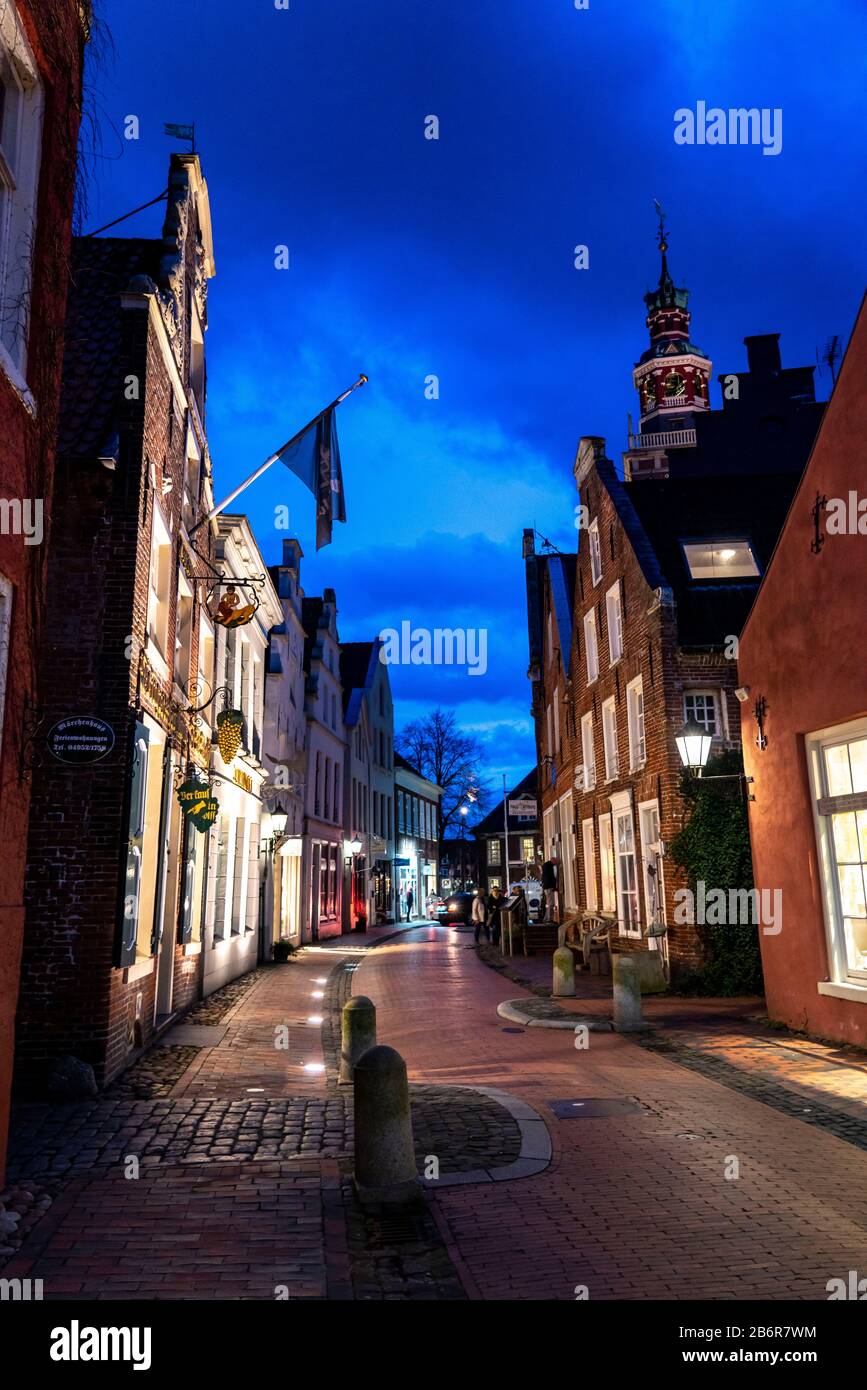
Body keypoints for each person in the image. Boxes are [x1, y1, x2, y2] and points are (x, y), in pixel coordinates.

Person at [541, 855, 559, 924]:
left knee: (548, 904)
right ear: (553, 861)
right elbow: (551, 877)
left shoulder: (546, 866)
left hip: (546, 887)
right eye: (555, 862)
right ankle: (549, 919)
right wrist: (554, 887)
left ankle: (546, 918)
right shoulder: (549, 867)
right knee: (551, 904)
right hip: (549, 888)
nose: (556, 863)